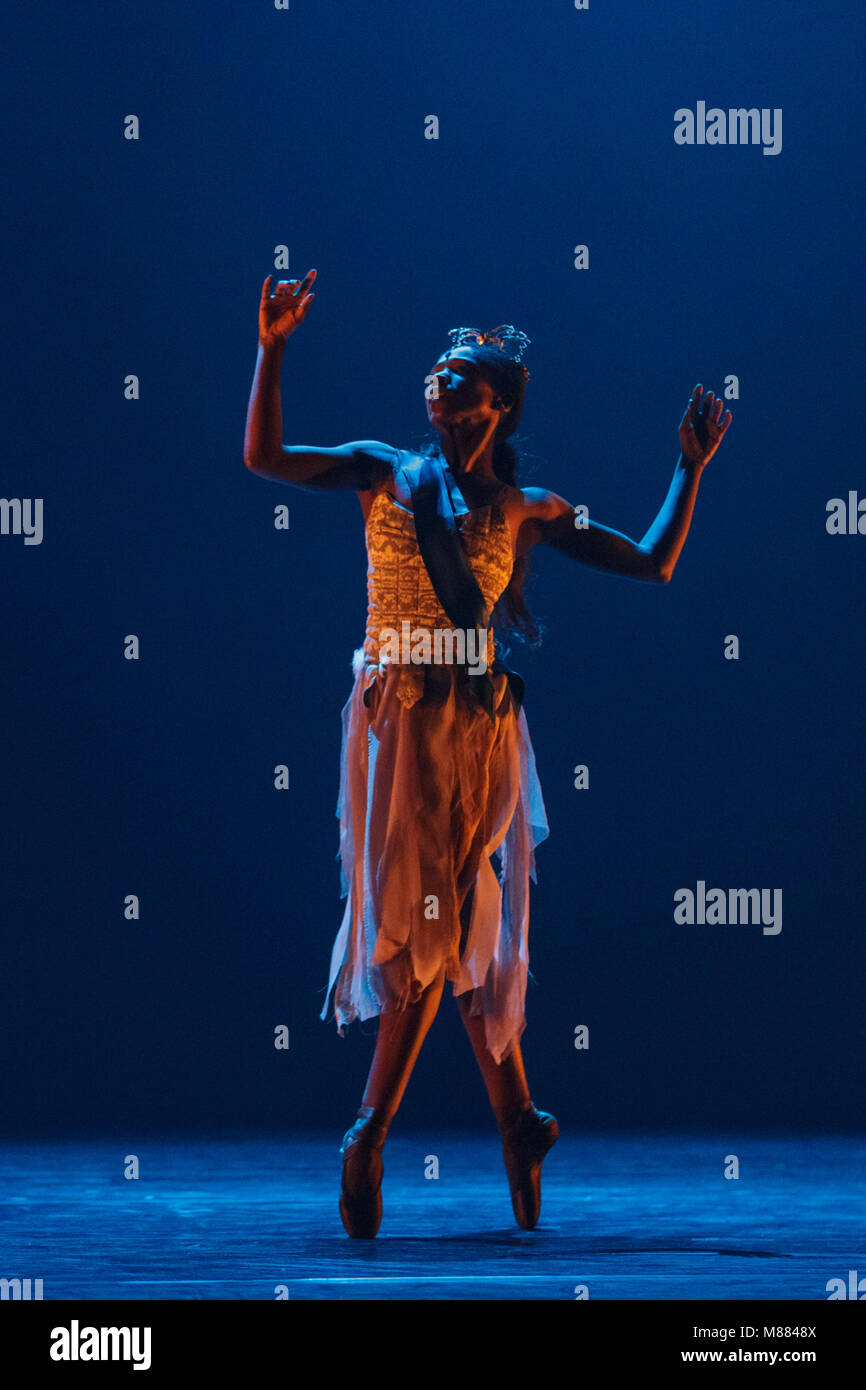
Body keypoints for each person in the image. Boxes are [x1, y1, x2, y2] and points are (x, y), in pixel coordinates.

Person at [243, 268, 733, 1238]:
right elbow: (263, 457)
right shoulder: (383, 468)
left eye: (456, 373)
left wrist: (688, 469)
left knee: (461, 919)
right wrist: (272, 347)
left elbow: (652, 559)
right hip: (405, 719)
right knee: (434, 921)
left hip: (479, 729)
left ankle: (513, 1123)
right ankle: (375, 1129)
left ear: (495, 402)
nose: (434, 380)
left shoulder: (526, 508)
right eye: (432, 370)